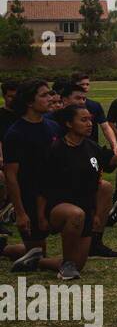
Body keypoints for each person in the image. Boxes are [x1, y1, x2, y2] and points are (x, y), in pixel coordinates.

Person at [18, 104, 103, 280]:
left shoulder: (93, 148)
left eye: (90, 120)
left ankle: (38, 261)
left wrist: (95, 214)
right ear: (69, 124)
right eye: (83, 120)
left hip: (85, 209)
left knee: (78, 265)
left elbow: (95, 185)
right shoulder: (55, 150)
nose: (89, 124)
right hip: (58, 208)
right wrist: (41, 216)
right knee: (75, 214)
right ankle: (67, 263)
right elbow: (42, 186)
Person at [2, 80, 61, 271]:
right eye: (44, 95)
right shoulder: (16, 133)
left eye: (50, 94)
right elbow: (11, 175)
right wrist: (20, 213)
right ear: (29, 102)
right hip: (29, 197)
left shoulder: (53, 127)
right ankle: (4, 249)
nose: (50, 98)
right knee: (38, 255)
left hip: (52, 193)